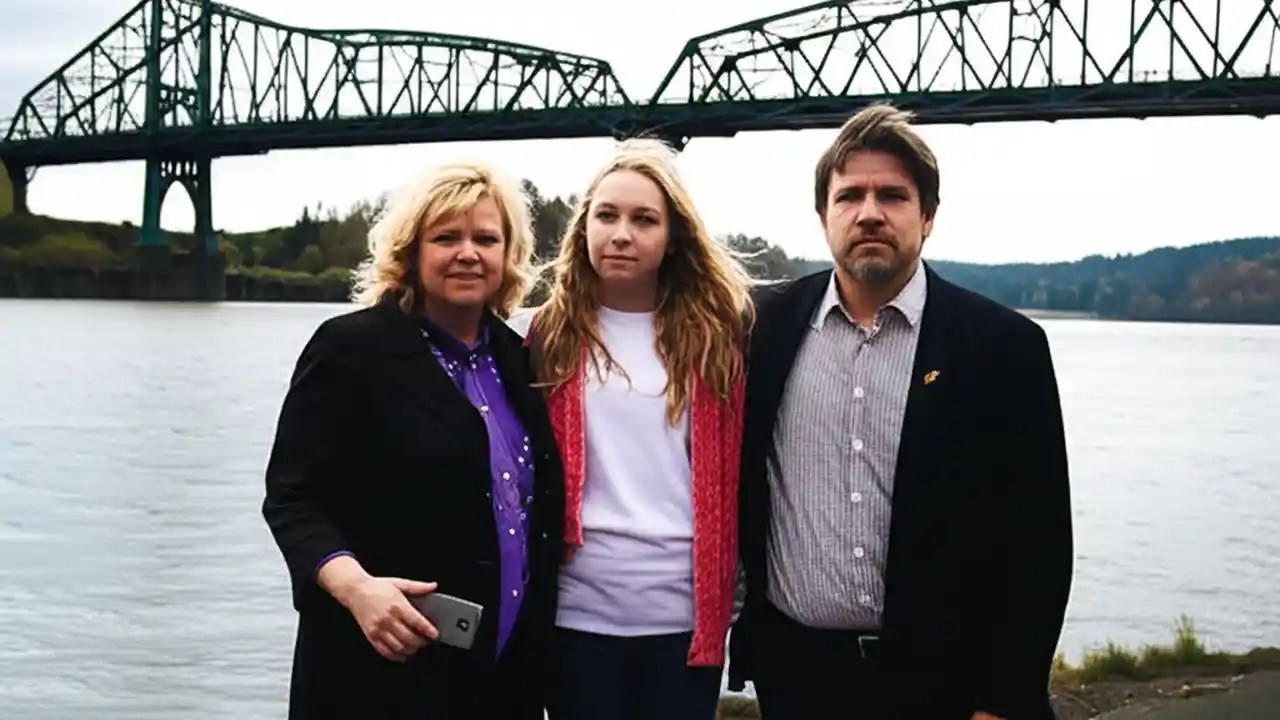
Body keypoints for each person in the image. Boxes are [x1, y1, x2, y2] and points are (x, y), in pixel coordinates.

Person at [727, 103, 1075, 719]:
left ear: (929, 216)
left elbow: (1038, 543)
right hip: (799, 678)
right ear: (822, 215)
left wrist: (1005, 697)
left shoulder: (1004, 348)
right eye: (849, 196)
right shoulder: (760, 328)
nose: (869, 213)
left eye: (892, 196)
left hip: (949, 684)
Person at [260, 160, 566, 720]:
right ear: (411, 252)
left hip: (502, 678)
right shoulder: (350, 350)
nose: (468, 252)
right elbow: (291, 498)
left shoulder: (520, 359)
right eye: (446, 237)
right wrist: (356, 588)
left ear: (508, 254)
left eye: (486, 238)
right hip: (379, 672)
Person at [508, 138, 754, 720]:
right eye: (607, 215)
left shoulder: (718, 344)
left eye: (645, 219)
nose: (622, 233)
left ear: (673, 239)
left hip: (682, 619)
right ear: (583, 227)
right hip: (575, 613)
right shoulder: (537, 337)